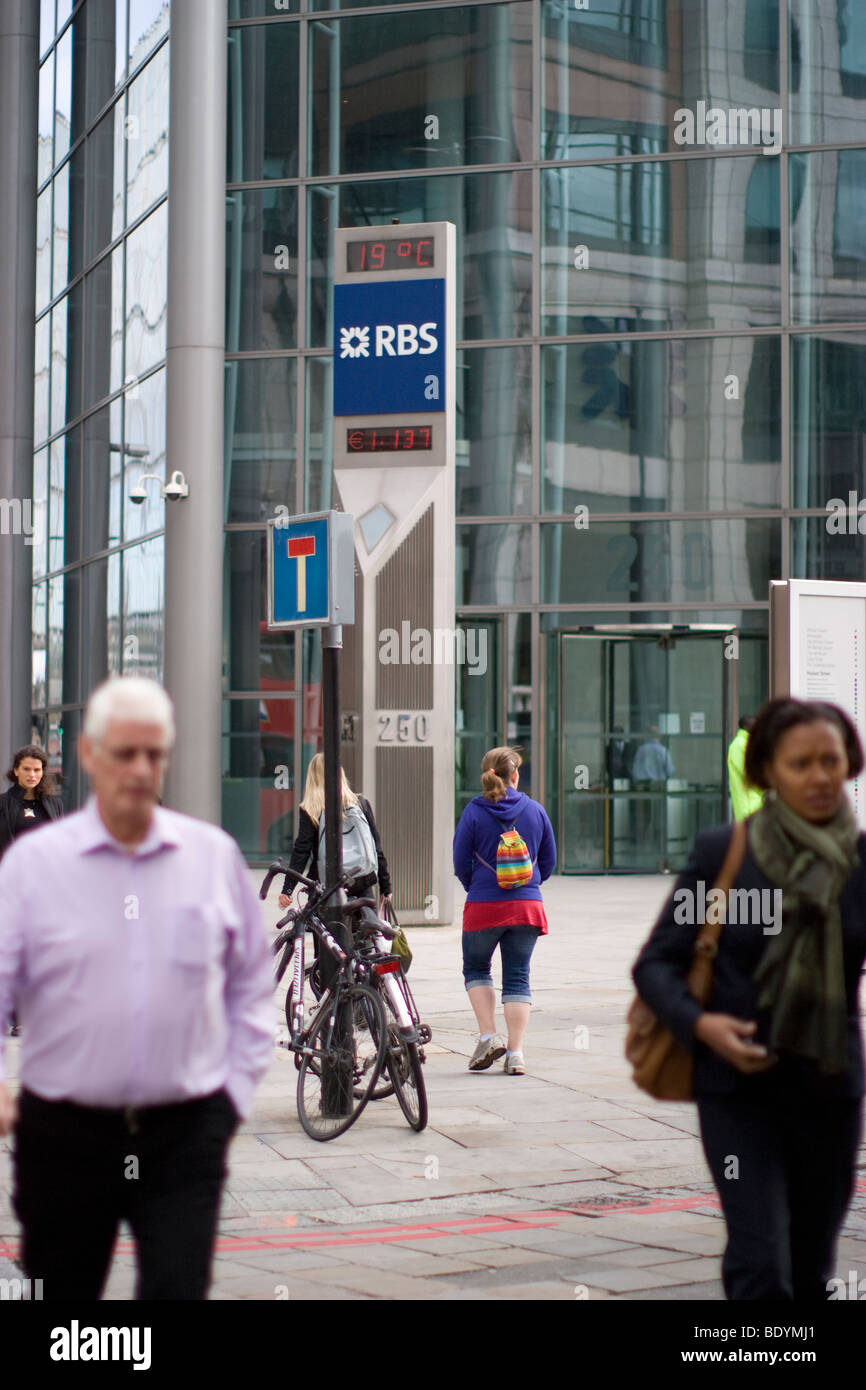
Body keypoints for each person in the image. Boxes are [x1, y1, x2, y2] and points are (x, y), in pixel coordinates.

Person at [0, 676, 273, 1301]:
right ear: (91, 756)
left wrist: (228, 1100)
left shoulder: (212, 857)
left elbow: (251, 992)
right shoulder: (35, 865)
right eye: (125, 753)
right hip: (62, 1136)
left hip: (184, 1135)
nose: (142, 768)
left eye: (155, 754)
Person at [632, 697, 866, 1300]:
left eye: (830, 761)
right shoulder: (725, 855)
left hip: (829, 1089)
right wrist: (701, 1025)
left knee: (812, 1268)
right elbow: (657, 963)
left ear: (849, 765)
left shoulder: (860, 865)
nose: (818, 776)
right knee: (761, 1265)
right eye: (800, 763)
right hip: (739, 1093)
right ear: (768, 772)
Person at [452, 746, 556, 1075]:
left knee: (476, 968)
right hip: (527, 907)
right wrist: (527, 884)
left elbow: (459, 861)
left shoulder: (473, 811)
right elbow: (549, 861)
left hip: (483, 905)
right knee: (518, 976)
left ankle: (487, 1036)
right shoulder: (535, 810)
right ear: (515, 775)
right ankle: (516, 1054)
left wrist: (479, 887)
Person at [0, 745, 64, 1036]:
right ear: (16, 771)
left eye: (37, 769)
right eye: (26, 769)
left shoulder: (53, 804)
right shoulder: (3, 804)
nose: (32, 774)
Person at [277, 752, 392, 912]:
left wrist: (287, 889)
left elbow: (301, 851)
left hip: (325, 884)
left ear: (313, 777)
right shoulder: (361, 804)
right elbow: (375, 847)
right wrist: (386, 886)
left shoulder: (311, 809)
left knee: (326, 934)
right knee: (368, 932)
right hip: (360, 880)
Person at [727, 714, 764, 821]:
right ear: (747, 727)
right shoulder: (740, 745)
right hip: (749, 807)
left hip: (753, 805)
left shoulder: (747, 744)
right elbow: (750, 774)